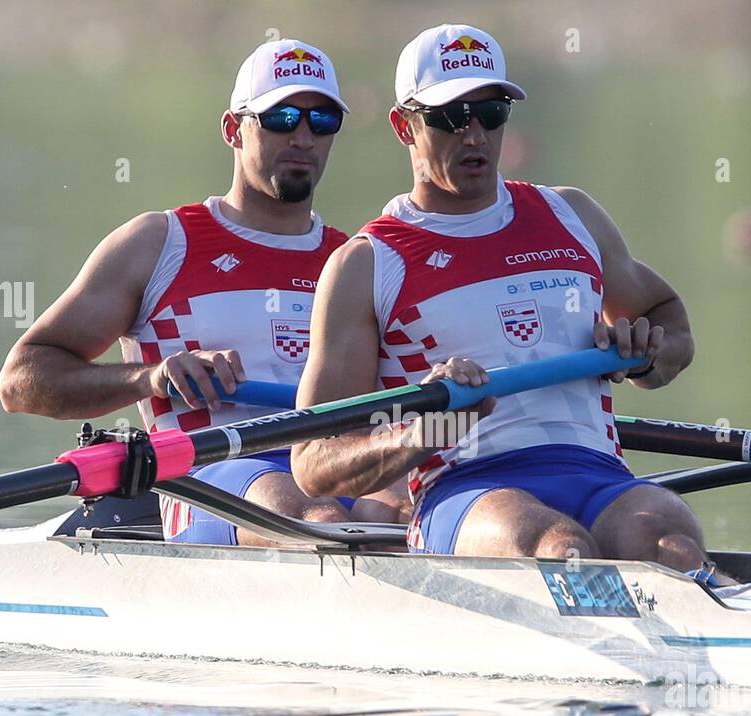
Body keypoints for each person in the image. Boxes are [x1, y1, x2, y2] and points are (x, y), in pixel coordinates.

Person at [291, 24, 717, 573]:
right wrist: (428, 430)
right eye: (450, 116)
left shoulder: (572, 215)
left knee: (668, 536)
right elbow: (314, 461)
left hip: (601, 477)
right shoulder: (368, 264)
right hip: (468, 489)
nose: (475, 135)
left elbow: (670, 323)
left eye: (491, 111)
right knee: (555, 547)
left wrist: (649, 357)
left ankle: (732, 617)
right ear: (403, 126)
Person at [0, 38, 405, 544]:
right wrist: (150, 378)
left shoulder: (356, 262)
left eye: (321, 121)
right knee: (315, 520)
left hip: (333, 471)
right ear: (234, 129)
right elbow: (19, 381)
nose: (303, 137)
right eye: (281, 118)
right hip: (208, 473)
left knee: (400, 512)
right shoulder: (158, 245)